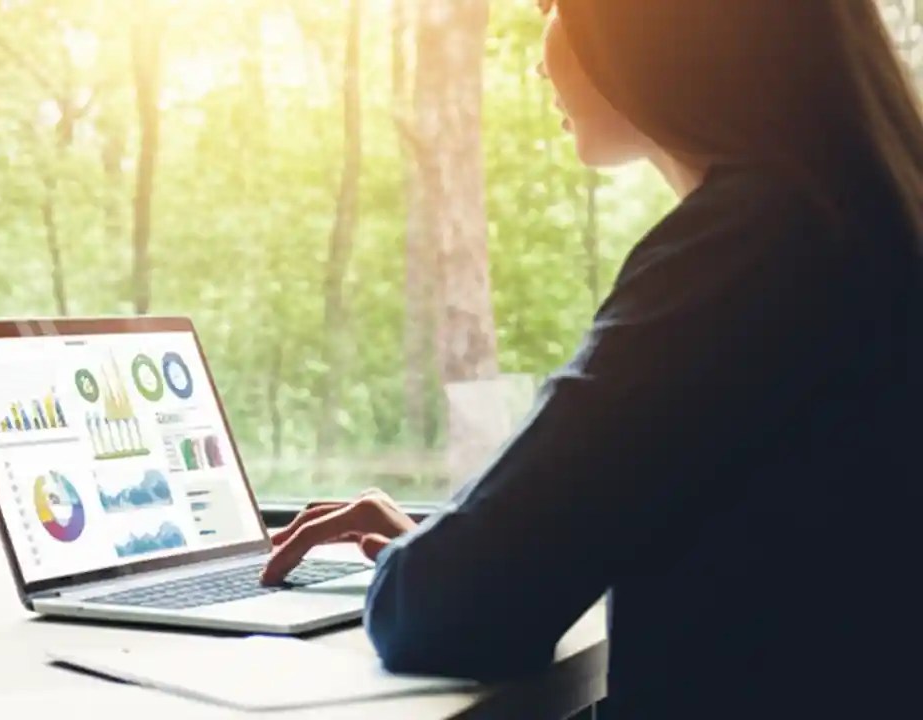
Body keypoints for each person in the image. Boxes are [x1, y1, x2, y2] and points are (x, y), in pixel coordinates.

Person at [261, 1, 923, 717]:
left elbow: (453, 613)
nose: (539, 57)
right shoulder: (857, 220)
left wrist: (427, 569)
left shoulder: (746, 255)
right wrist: (459, 542)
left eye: (553, 6)